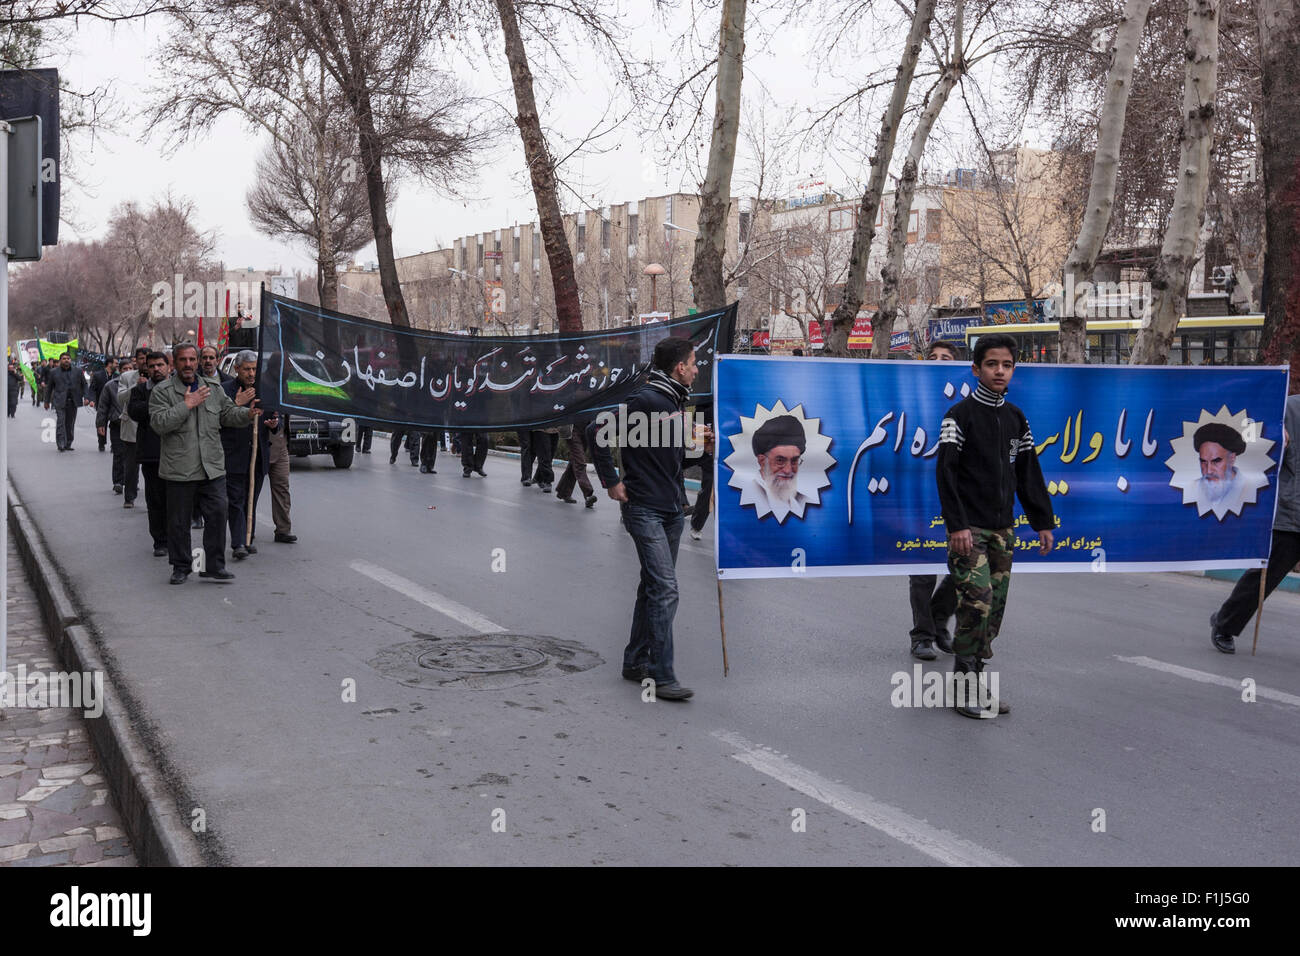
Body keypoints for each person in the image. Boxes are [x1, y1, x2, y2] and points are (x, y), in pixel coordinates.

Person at [936, 332, 1054, 718]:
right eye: (991, 364)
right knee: (977, 604)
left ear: (1013, 370)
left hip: (1004, 530)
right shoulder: (958, 416)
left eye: (1006, 365)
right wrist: (957, 526)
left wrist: (1042, 521)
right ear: (976, 369)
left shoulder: (1016, 417)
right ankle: (962, 688)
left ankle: (976, 676)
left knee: (995, 610)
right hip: (969, 530)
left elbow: (1028, 471)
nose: (999, 370)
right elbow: (946, 475)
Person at [591, 336, 713, 701]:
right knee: (665, 589)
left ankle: (634, 661)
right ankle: (661, 675)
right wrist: (611, 482)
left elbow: (671, 460)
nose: (695, 368)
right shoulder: (646, 399)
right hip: (644, 508)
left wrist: (701, 450)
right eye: (693, 363)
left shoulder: (674, 401)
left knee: (652, 587)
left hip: (672, 509)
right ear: (679, 367)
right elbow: (596, 431)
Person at [149, 342, 260, 585]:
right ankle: (181, 566)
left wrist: (247, 414)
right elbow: (159, 423)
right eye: (182, 360)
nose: (188, 364)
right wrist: (185, 405)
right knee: (179, 522)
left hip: (212, 467)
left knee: (219, 514)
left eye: (192, 360)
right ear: (174, 363)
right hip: (180, 469)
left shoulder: (212, 387)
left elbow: (228, 414)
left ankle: (214, 566)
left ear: (197, 362)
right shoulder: (163, 391)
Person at [1210, 392, 1300, 653]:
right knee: (1264, 577)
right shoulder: (1288, 407)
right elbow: (1250, 436)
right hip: (1291, 511)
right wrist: (1274, 437)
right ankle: (1225, 623)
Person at [908, 341, 960, 661]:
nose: (939, 362)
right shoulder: (914, 398)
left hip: (956, 499)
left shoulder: (967, 404)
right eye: (933, 358)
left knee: (963, 569)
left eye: (947, 359)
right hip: (920, 496)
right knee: (923, 571)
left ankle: (939, 620)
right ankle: (922, 635)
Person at [221, 350, 278, 560]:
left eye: (254, 369)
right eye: (247, 369)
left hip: (258, 455)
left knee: (250, 498)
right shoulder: (226, 390)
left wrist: (273, 424)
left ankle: (248, 537)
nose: (251, 373)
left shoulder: (265, 390)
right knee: (235, 499)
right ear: (237, 369)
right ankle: (238, 543)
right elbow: (219, 418)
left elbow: (274, 418)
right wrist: (238, 404)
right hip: (234, 454)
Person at [128, 351, 171, 554]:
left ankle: (175, 538)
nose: (156, 369)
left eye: (160, 365)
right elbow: (135, 412)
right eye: (152, 366)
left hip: (177, 454)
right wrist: (159, 404)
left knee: (176, 500)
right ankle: (160, 541)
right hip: (151, 454)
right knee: (155, 500)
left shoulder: (179, 389)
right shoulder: (139, 390)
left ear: (168, 366)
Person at [749, 415, 809, 522]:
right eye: (780, 461)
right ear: (762, 461)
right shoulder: (745, 497)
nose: (788, 470)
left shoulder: (803, 501)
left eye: (794, 460)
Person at [117, 347, 150, 509]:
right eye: (142, 358)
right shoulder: (127, 377)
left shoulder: (159, 376)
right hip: (132, 427)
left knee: (152, 467)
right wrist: (136, 387)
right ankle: (129, 496)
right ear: (136, 360)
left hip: (153, 427)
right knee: (131, 465)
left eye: (147, 358)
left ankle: (153, 500)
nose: (145, 361)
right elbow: (121, 398)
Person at [1192, 422, 1248, 513]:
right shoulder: (1190, 489)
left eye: (1216, 461)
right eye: (1203, 461)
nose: (1209, 471)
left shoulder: (1253, 489)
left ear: (1232, 458)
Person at [95, 358, 130, 494]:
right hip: (117, 424)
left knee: (132, 456)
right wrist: (100, 424)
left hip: (133, 425)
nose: (127, 371)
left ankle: (131, 481)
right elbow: (103, 406)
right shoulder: (110, 386)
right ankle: (118, 482)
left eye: (130, 369)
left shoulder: (138, 384)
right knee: (119, 453)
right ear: (119, 371)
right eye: (124, 369)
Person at [265, 412, 297, 543]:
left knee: (282, 486)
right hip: (258, 441)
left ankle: (283, 530)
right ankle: (245, 532)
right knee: (251, 491)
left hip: (280, 442)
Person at [47, 353, 88, 451]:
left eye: (68, 358)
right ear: (60, 360)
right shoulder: (53, 372)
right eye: (64, 358)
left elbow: (85, 385)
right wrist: (46, 401)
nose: (66, 360)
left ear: (70, 360)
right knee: (61, 422)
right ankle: (61, 443)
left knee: (70, 423)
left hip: (73, 401)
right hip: (59, 401)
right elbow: (49, 388)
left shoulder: (78, 371)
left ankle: (68, 443)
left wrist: (86, 397)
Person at [555, 416, 598, 507]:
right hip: (572, 430)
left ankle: (564, 492)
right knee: (580, 462)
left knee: (574, 461)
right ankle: (588, 494)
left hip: (586, 428)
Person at [88, 358, 115, 450]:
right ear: (109, 364)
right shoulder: (98, 375)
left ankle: (114, 444)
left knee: (115, 424)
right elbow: (92, 389)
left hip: (114, 404)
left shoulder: (117, 376)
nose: (117, 365)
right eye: (116, 363)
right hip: (102, 403)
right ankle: (101, 443)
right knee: (101, 422)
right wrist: (92, 400)